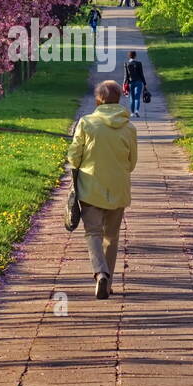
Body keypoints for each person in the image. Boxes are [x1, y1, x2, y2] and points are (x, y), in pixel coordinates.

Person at [66, 80, 138, 299]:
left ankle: (100, 272)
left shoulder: (87, 123)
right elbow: (132, 163)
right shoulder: (129, 127)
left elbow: (73, 157)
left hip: (91, 187)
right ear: (118, 99)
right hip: (118, 188)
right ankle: (107, 284)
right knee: (111, 236)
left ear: (98, 100)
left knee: (93, 233)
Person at [124, 50, 146, 119]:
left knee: (132, 98)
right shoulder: (139, 63)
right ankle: (137, 111)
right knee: (137, 97)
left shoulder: (126, 64)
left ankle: (132, 113)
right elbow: (141, 74)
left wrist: (124, 83)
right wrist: (145, 83)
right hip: (139, 82)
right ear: (135, 56)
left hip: (130, 82)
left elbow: (126, 75)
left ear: (129, 56)